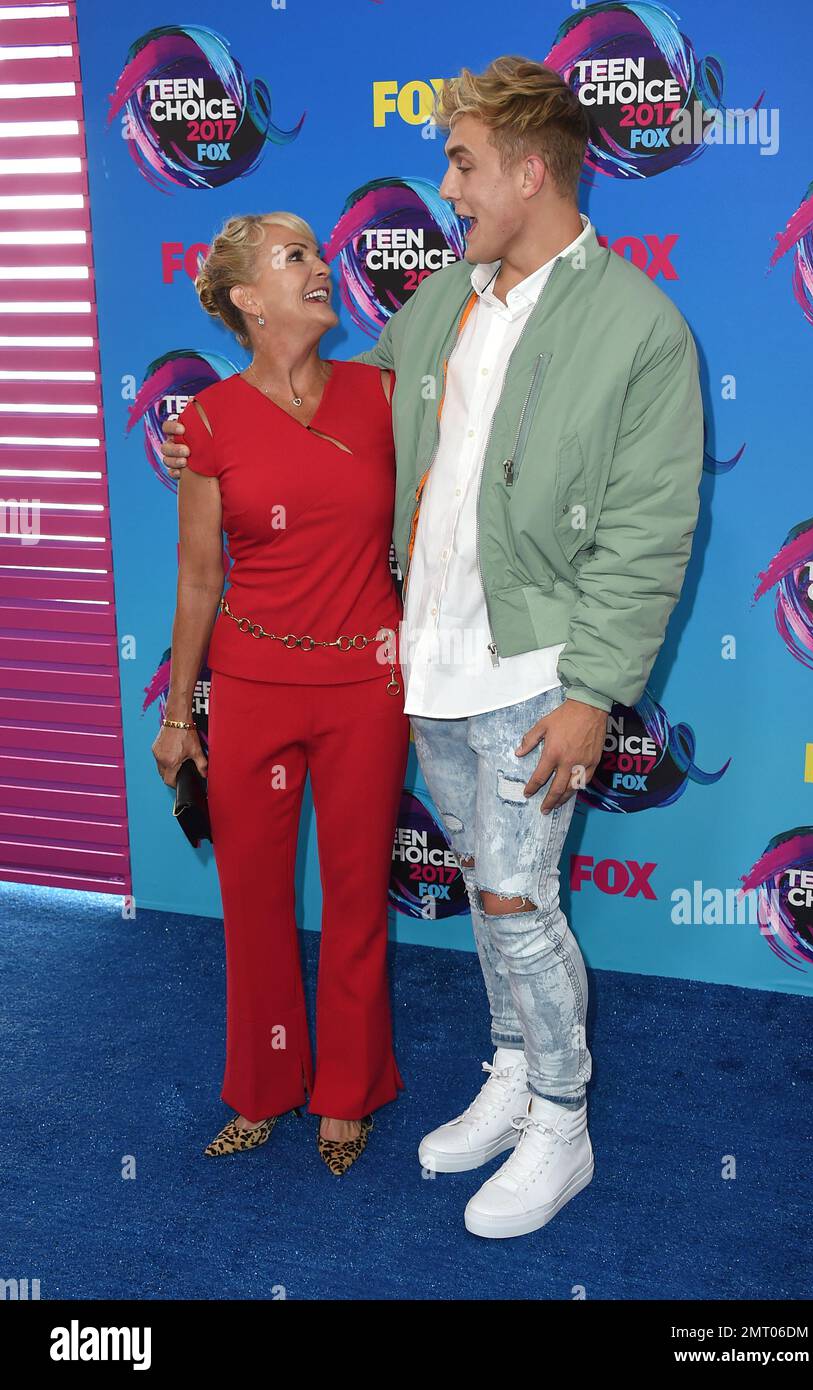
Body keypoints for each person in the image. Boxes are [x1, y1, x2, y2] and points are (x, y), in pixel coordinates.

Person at [162, 56, 705, 1236]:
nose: (445, 186)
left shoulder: (638, 325)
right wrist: (210, 438)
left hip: (538, 674)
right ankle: (512, 1076)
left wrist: (595, 692)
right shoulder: (448, 299)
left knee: (517, 897)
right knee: (481, 888)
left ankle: (562, 1117)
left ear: (526, 168)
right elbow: (333, 404)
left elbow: (652, 527)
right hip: (427, 670)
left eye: (461, 163)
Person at [152, 211, 410, 1175]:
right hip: (253, 685)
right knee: (253, 902)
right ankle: (263, 1086)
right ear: (248, 301)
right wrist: (179, 716)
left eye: (318, 250)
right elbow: (196, 579)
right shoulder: (207, 421)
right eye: (294, 255)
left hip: (365, 687)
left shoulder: (383, 395)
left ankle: (348, 1090)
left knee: (354, 898)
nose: (321, 266)